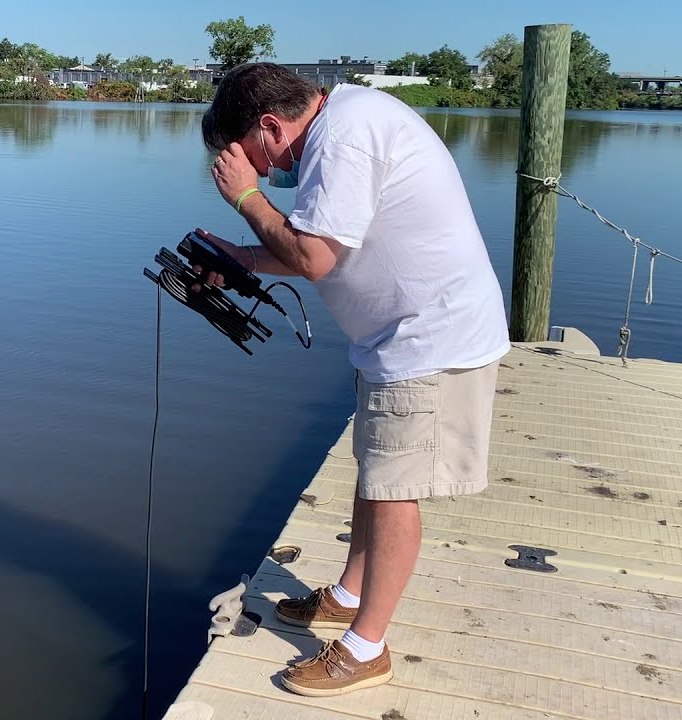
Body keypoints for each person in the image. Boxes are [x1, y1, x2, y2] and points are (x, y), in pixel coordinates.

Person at [196, 63, 510, 697]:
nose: (252, 166)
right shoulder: (341, 123)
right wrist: (241, 260)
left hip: (429, 341)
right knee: (377, 470)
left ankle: (367, 649)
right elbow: (323, 248)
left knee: (395, 489)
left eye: (243, 153)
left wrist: (247, 198)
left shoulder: (344, 137)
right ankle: (348, 594)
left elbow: (311, 257)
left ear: (268, 127)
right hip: (397, 339)